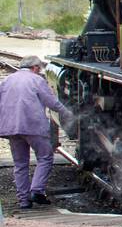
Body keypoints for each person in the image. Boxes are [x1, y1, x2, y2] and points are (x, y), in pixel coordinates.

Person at [0, 56, 74, 210]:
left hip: (11, 127)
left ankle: (24, 201)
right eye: (39, 68)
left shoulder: (7, 80)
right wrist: (67, 112)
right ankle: (37, 190)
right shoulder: (37, 80)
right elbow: (51, 102)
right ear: (34, 67)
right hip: (32, 126)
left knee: (20, 164)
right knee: (45, 156)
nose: (39, 71)